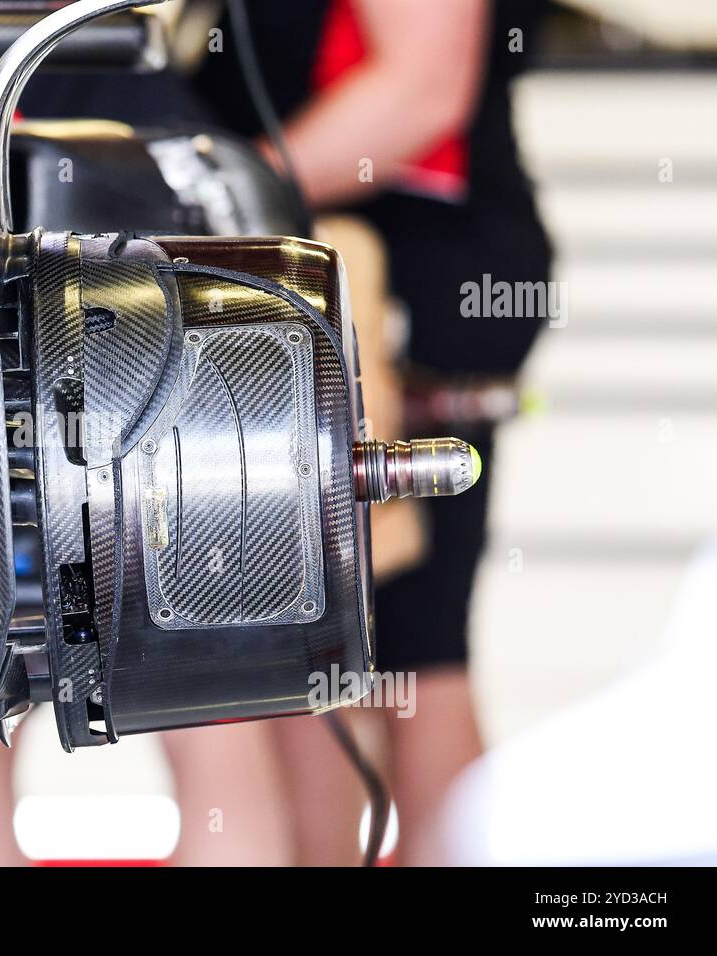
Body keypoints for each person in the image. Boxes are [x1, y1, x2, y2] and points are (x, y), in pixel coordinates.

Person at [182, 0, 552, 864]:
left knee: (398, 649)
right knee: (320, 653)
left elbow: (421, 88)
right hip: (319, 252)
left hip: (392, 263)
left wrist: (203, 196)